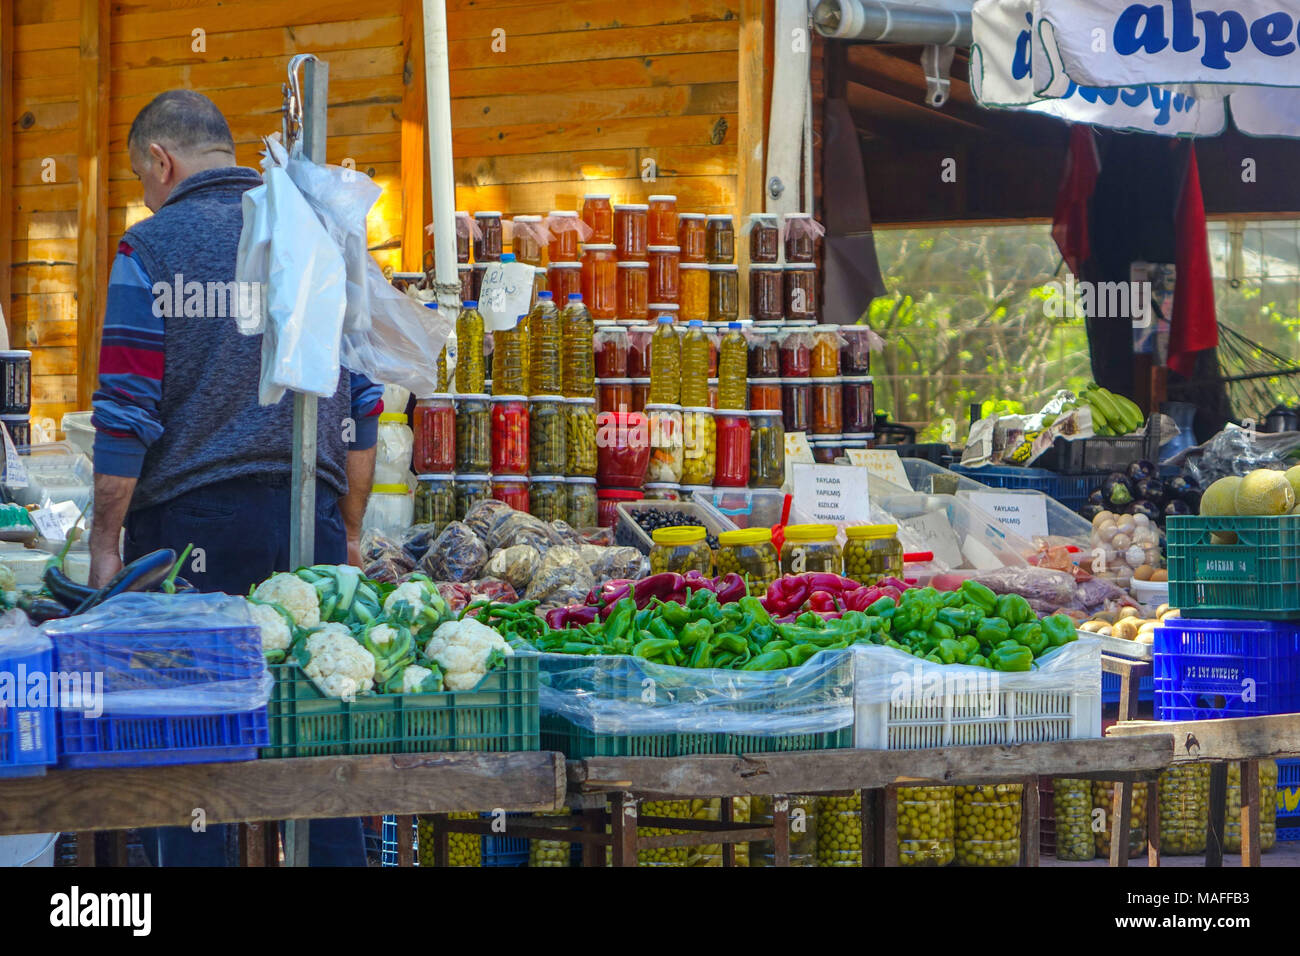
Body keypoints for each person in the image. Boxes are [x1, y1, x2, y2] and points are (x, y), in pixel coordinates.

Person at [89, 89, 378, 867]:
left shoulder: (148, 250)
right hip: (306, 525)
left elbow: (123, 416)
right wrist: (348, 533)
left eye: (143, 179)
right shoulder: (313, 234)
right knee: (320, 743)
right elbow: (366, 402)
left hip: (189, 538)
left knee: (195, 754)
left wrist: (105, 546)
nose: (147, 195)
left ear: (161, 160)